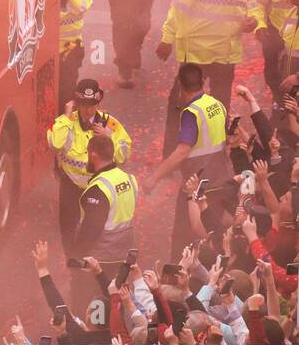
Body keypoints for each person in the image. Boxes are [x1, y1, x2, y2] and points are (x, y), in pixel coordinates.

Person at [155, 0, 252, 123]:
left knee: (219, 109)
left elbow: (249, 2)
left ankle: (216, 151)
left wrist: (252, 20)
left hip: (225, 55)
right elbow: (179, 8)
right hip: (198, 54)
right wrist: (167, 39)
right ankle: (174, 149)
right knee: (182, 106)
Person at [148, 63, 230, 258]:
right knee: (213, 232)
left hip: (197, 185)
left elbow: (182, 151)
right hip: (220, 181)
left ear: (180, 85)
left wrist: (154, 177)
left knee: (183, 238)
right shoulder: (217, 104)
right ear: (203, 82)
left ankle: (177, 279)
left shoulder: (191, 113)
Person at [49, 79, 133, 253]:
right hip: (71, 185)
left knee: (94, 230)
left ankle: (90, 264)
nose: (88, 110)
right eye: (84, 105)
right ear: (76, 103)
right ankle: (71, 261)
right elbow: (55, 144)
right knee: (68, 227)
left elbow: (124, 156)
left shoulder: (110, 124)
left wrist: (109, 138)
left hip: (97, 188)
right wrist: (65, 115)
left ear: (98, 103)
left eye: (92, 105)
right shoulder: (65, 121)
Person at [72, 133, 138, 268]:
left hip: (102, 259)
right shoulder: (129, 179)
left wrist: (77, 257)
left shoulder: (99, 189)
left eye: (88, 153)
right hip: (125, 254)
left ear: (94, 156)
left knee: (91, 290)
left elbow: (91, 229)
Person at [58, 0, 92, 110]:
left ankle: (65, 126)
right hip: (45, 53)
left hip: (69, 52)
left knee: (65, 93)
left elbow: (80, 5)